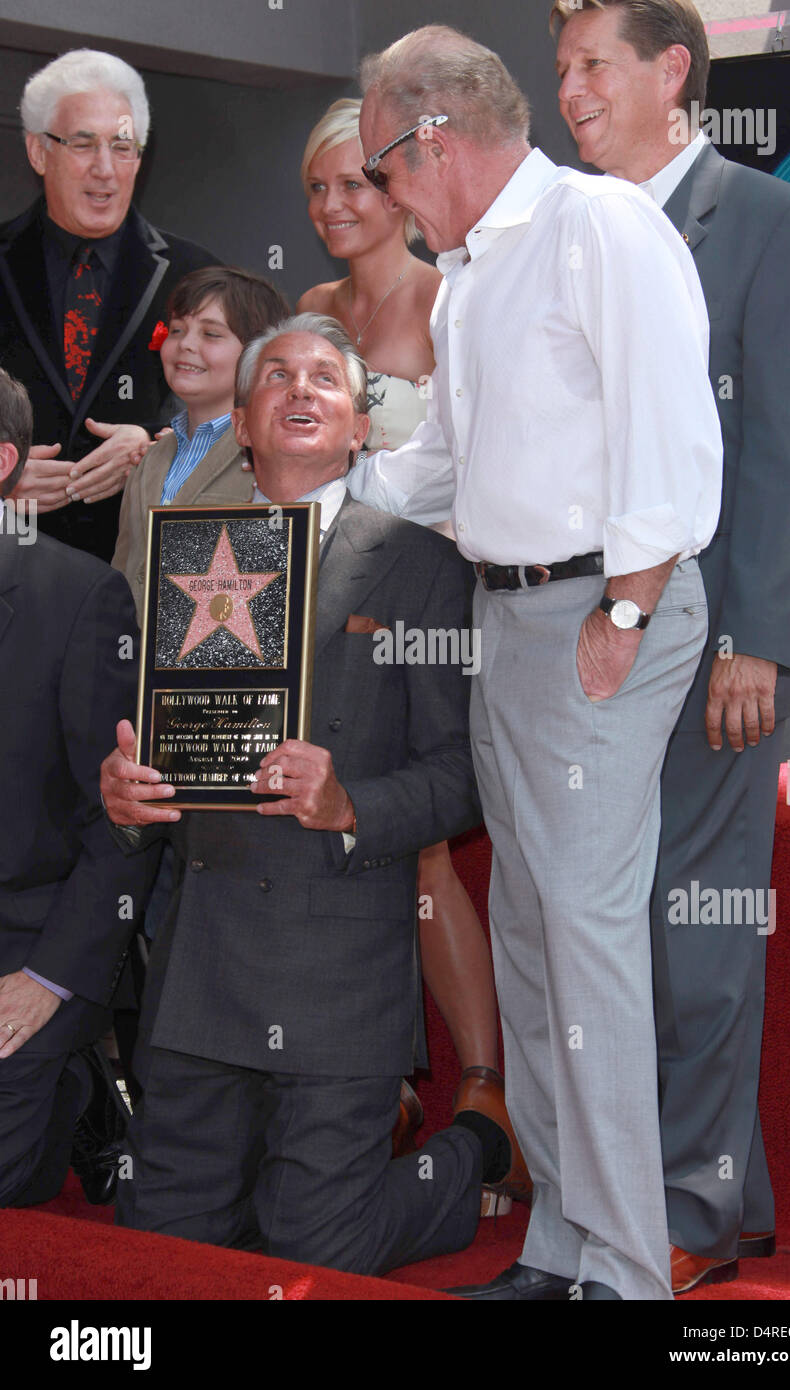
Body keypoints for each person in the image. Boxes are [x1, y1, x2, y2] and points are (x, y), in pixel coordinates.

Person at [349, 25, 723, 1301]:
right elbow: (443, 466)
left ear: (429, 140)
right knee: (530, 933)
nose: (382, 201)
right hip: (510, 621)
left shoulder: (598, 228)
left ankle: (626, 1272)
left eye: (382, 174)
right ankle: (565, 1245)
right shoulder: (472, 276)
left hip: (597, 614)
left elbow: (673, 438)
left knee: (583, 933)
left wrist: (621, 618)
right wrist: (319, 484)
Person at [99, 314, 529, 1273]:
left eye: (325, 380)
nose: (299, 391)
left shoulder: (421, 565)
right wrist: (126, 796)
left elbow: (464, 776)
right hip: (202, 964)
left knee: (317, 1248)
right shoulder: (189, 557)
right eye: (277, 377)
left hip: (340, 972)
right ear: (242, 424)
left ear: (360, 426)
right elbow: (150, 751)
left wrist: (351, 806)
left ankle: (473, 1151)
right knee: (170, 1253)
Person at [550, 0, 790, 1293]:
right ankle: (712, 1191)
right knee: (608, 937)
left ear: (672, 73)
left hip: (713, 654)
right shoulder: (566, 232)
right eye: (555, 70)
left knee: (691, 933)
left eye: (590, 67)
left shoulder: (771, 222)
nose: (566, 92)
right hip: (583, 651)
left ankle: (689, 1202)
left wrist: (755, 639)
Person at [297, 97, 503, 1144]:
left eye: (352, 183)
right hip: (327, 612)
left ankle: (481, 1091)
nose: (334, 204)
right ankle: (364, 1074)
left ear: (392, 186)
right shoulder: (310, 306)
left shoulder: (450, 299)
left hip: (435, 602)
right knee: (328, 834)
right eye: (316, 189)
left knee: (416, 843)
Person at [0, 366, 152, 1210]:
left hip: (20, 954)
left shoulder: (80, 599)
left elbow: (123, 822)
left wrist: (48, 980)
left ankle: (77, 1073)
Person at [0, 48, 220, 563]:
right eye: (82, 144)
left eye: (122, 147)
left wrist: (152, 447)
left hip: (146, 573)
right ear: (38, 151)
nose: (105, 170)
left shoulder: (200, 273)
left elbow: (242, 415)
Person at [113, 265, 290, 621]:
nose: (186, 345)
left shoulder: (268, 458)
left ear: (258, 356)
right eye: (177, 330)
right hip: (129, 661)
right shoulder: (151, 458)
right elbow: (122, 569)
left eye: (211, 334)